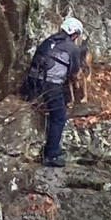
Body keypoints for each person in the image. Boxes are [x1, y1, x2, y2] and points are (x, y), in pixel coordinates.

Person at [23, 16, 83, 167]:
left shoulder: (49, 40)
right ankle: (51, 154)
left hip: (31, 80)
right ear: (75, 34)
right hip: (50, 84)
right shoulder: (72, 48)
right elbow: (74, 71)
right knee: (59, 117)